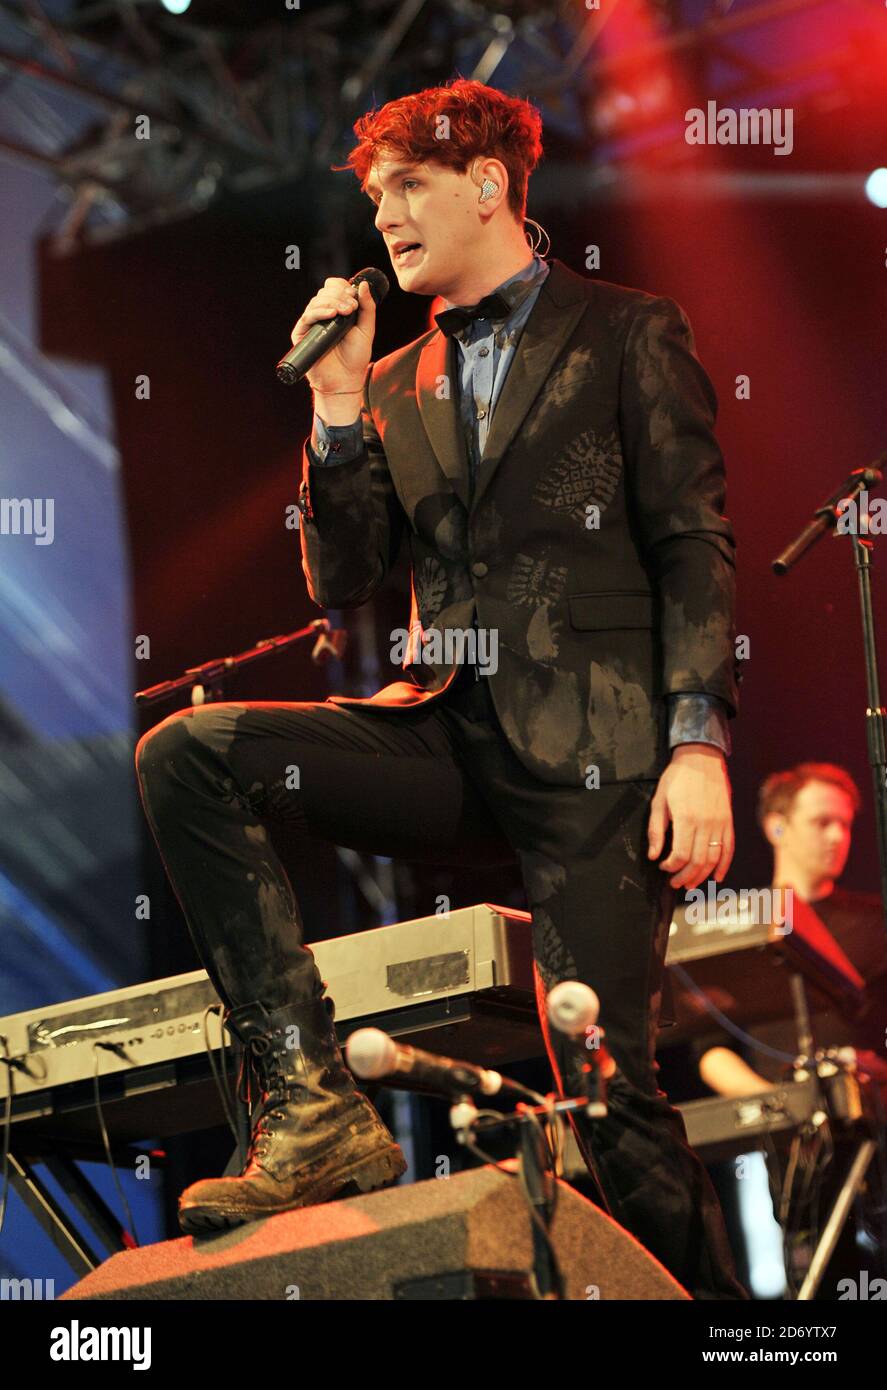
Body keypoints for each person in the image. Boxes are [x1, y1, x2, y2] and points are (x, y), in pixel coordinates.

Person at [135, 78, 747, 1298]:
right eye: (373, 197)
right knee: (189, 752)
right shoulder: (400, 376)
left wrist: (697, 741)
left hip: (600, 760)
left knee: (613, 1106)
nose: (386, 218)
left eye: (407, 185)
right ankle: (311, 1106)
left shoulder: (626, 330)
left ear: (485, 183)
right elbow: (348, 578)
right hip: (449, 739)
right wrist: (337, 407)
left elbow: (692, 541)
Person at [691, 762, 887, 1294]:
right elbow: (710, 1050)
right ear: (777, 826)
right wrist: (780, 1106)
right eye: (822, 822)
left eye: (845, 825)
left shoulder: (876, 921)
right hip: (788, 1159)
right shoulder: (734, 929)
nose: (837, 837)